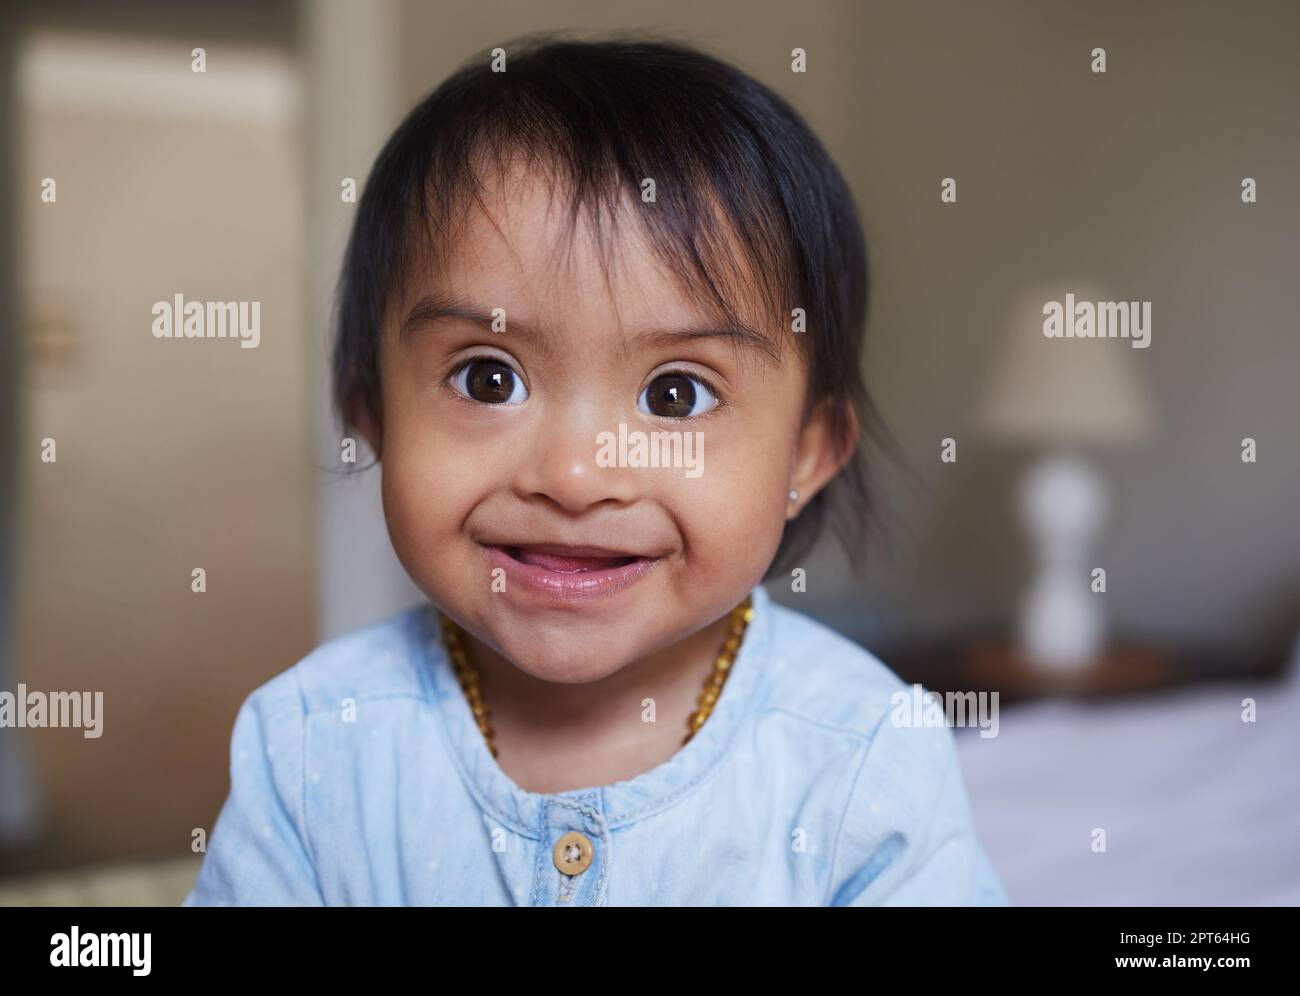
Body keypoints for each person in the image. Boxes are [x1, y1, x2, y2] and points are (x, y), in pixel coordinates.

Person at [183, 33, 1009, 906]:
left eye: (677, 396)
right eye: (488, 378)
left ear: (807, 455)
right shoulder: (313, 743)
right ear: (372, 415)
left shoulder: (860, 754)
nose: (576, 477)